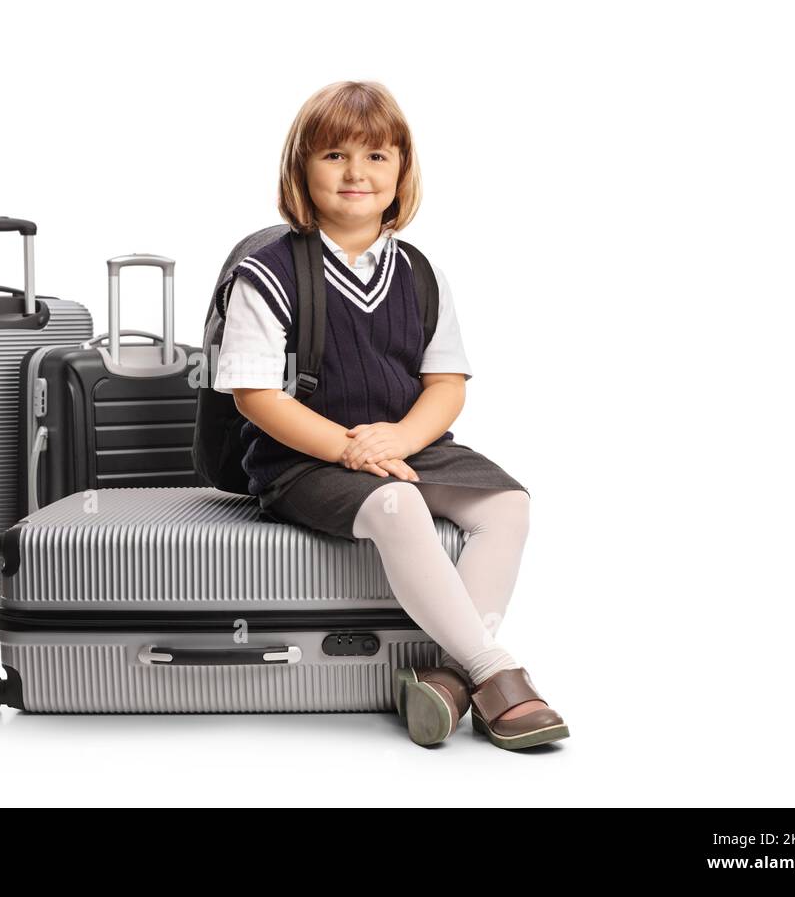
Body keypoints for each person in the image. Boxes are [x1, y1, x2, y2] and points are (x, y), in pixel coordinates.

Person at [211, 80, 569, 750]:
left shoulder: (420, 273)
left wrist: (402, 437)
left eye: (377, 156)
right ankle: (495, 670)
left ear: (402, 170)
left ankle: (447, 679)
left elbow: (446, 383)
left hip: (406, 440)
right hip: (305, 457)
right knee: (397, 508)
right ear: (301, 169)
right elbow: (255, 396)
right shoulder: (268, 273)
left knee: (508, 506)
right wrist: (351, 451)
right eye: (334, 155)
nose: (356, 173)